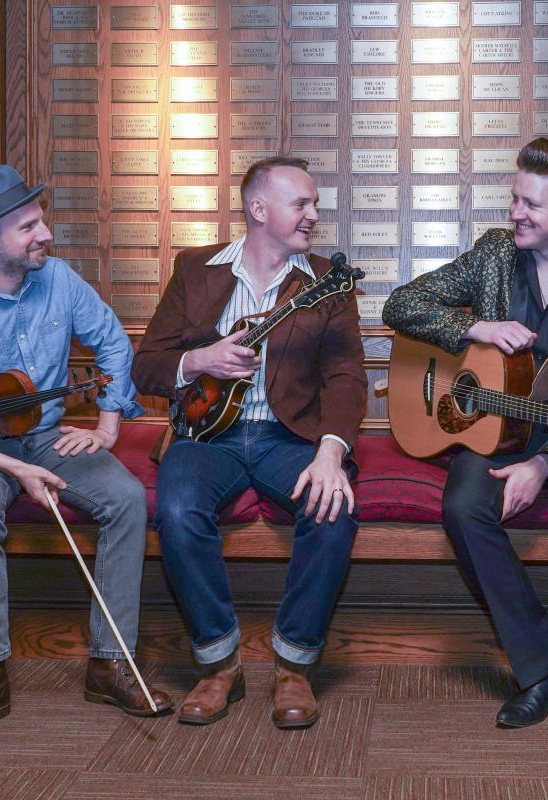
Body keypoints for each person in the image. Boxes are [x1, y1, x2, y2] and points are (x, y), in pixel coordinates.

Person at [382, 138, 548, 757]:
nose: (516, 212)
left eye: (530, 203)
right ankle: (541, 670)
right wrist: (477, 326)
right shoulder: (495, 255)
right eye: (514, 199)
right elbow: (402, 304)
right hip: (499, 427)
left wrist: (546, 461)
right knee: (461, 505)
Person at [0, 165, 172, 743]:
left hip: (49, 436)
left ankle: (109, 663)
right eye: (28, 226)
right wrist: (17, 468)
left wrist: (105, 427)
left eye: (41, 220)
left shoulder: (60, 280)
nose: (44, 233)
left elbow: (111, 344)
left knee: (126, 497)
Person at [132, 156, 366, 728]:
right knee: (178, 509)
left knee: (333, 511)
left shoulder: (326, 284)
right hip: (206, 438)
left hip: (293, 438)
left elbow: (346, 377)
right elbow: (147, 367)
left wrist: (332, 452)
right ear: (259, 210)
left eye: (315, 204)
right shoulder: (196, 270)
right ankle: (219, 664)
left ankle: (294, 666)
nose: (314, 214)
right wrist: (199, 360)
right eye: (301, 204)